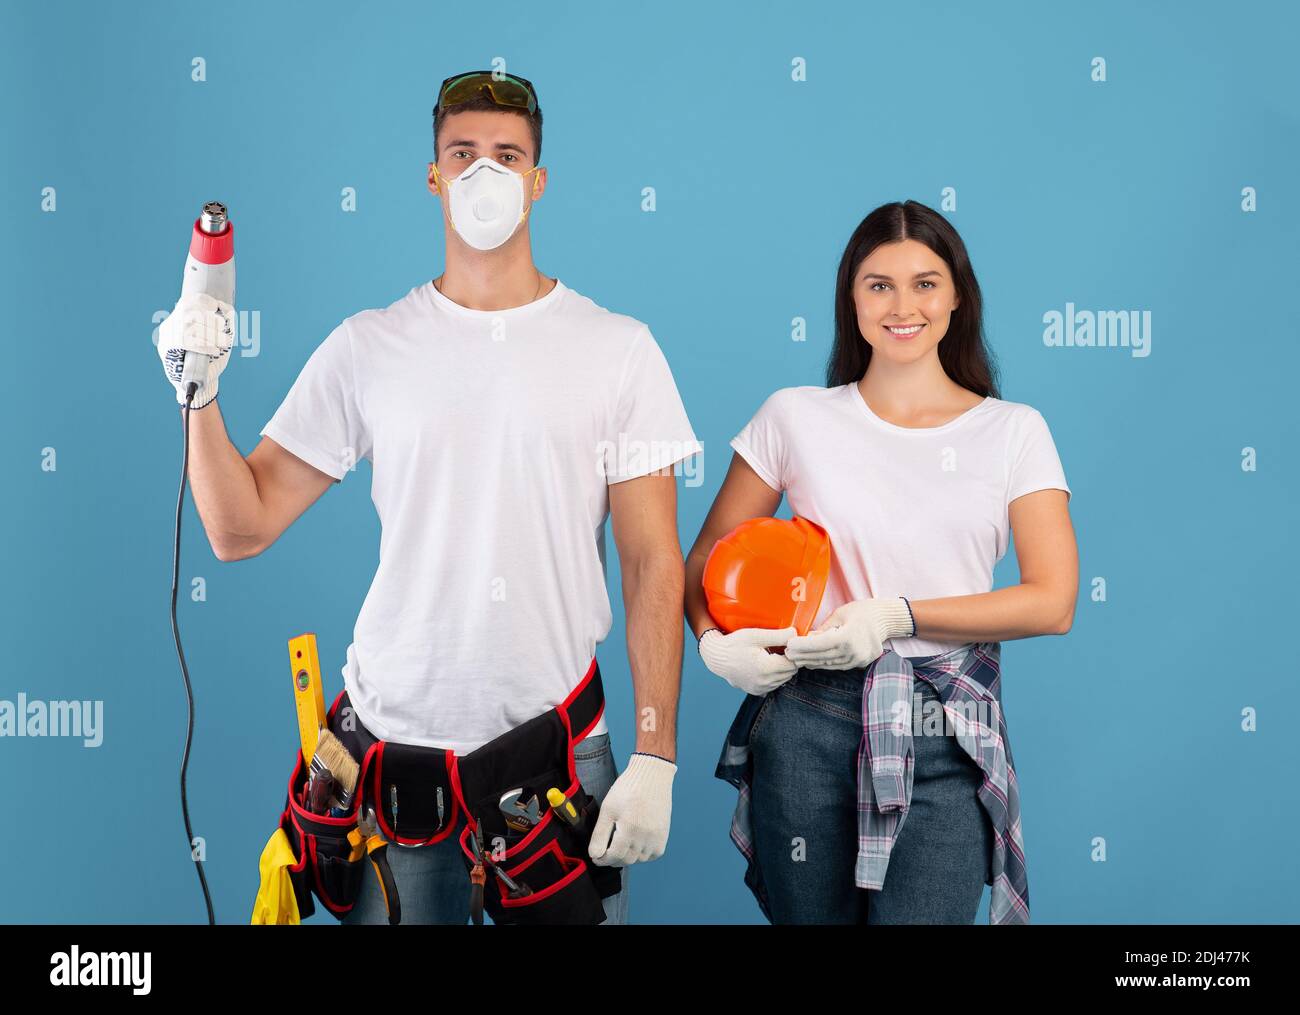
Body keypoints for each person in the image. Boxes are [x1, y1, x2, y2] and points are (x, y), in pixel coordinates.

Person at [157, 70, 701, 924]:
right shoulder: (370, 346)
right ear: (434, 175)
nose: (485, 173)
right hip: (388, 766)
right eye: (463, 153)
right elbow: (238, 526)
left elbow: (650, 561)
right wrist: (200, 392)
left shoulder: (618, 350)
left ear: (538, 180)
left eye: (507, 156)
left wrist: (657, 751)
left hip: (556, 766)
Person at [684, 200, 1077, 925]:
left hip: (944, 724)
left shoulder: (1013, 432)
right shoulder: (795, 416)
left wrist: (898, 615)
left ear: (957, 296)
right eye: (879, 285)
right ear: (852, 299)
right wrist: (713, 643)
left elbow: (1052, 600)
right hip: (807, 719)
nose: (903, 307)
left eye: (925, 283)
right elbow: (706, 554)